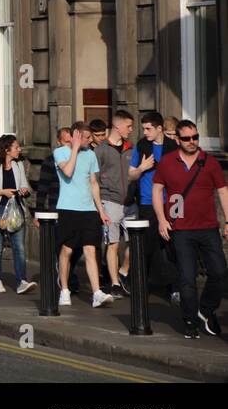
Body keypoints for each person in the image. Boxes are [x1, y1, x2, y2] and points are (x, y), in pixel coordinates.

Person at [152, 119, 228, 339]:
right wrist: (161, 219)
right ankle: (190, 320)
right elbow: (157, 190)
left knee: (220, 272)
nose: (192, 141)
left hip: (208, 228)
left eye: (195, 137)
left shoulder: (209, 162)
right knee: (187, 278)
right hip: (181, 230)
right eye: (186, 138)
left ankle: (204, 310)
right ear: (178, 139)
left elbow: (223, 192)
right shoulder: (167, 162)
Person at [53, 121, 114, 308]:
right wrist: (75, 149)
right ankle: (64, 289)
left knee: (90, 250)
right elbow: (68, 172)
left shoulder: (91, 155)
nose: (90, 140)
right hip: (68, 208)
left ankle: (96, 293)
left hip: (88, 210)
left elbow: (93, 183)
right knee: (67, 251)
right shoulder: (60, 152)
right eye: (86, 137)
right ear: (76, 136)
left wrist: (101, 210)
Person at [0, 134, 36, 294]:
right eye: (16, 147)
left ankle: (21, 281)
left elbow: (25, 186)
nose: (19, 149)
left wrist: (24, 191)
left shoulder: (19, 165)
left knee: (19, 247)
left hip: (15, 210)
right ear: (7, 149)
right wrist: (2, 192)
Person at [129, 111, 173, 300]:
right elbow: (131, 175)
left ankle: (174, 287)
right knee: (146, 245)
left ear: (159, 129)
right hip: (147, 202)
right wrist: (142, 168)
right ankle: (141, 285)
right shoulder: (141, 146)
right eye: (143, 128)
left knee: (171, 246)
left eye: (148, 128)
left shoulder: (173, 147)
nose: (145, 132)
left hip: (170, 202)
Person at [96, 111, 133, 295]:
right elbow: (93, 180)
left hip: (130, 203)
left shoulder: (131, 148)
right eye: (128, 126)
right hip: (110, 201)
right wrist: (99, 205)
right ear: (117, 126)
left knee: (135, 242)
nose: (131, 130)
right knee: (113, 243)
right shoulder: (101, 149)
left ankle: (123, 272)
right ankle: (115, 284)